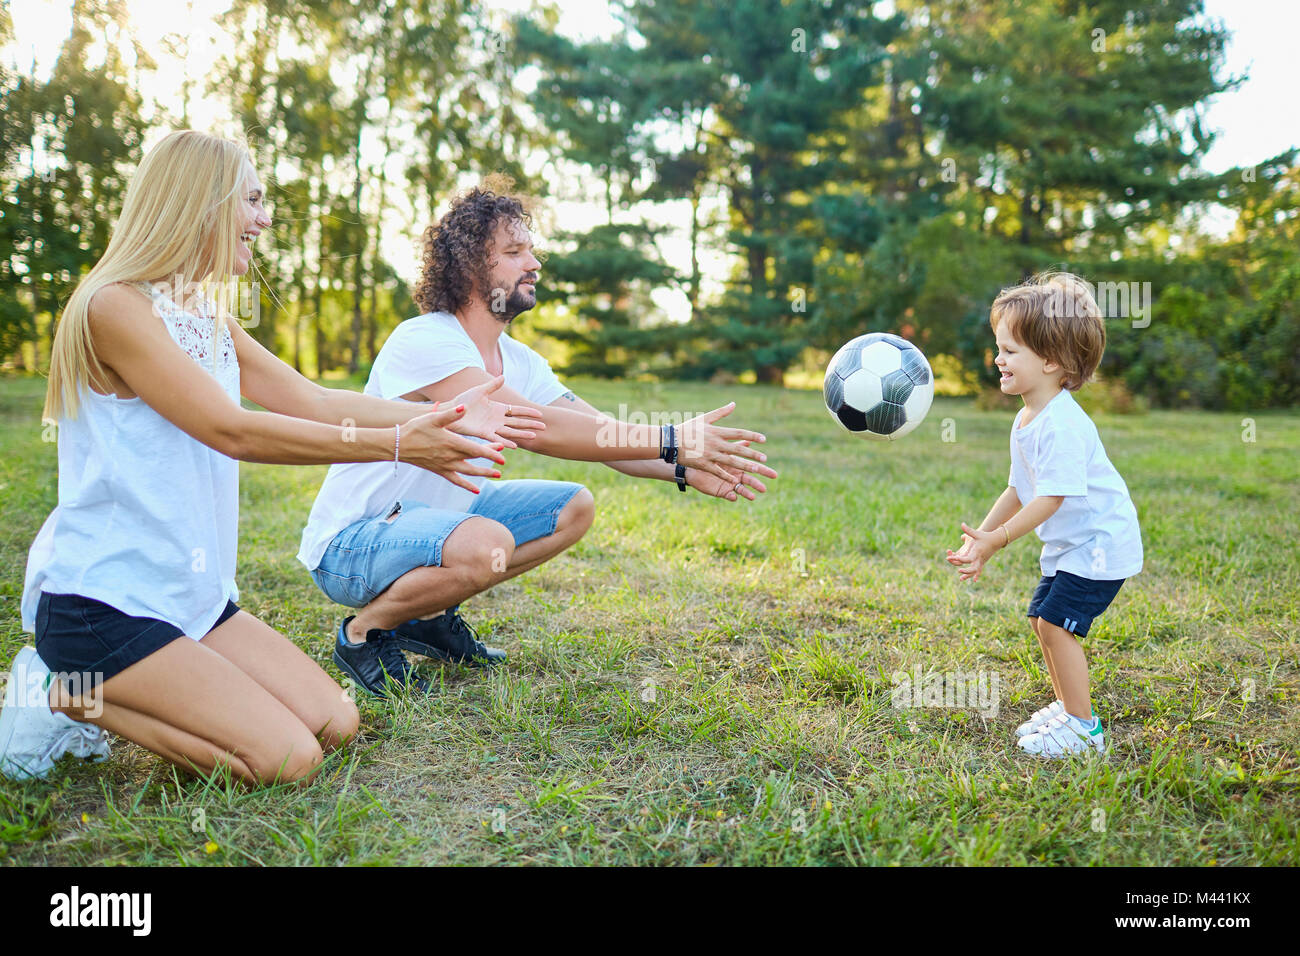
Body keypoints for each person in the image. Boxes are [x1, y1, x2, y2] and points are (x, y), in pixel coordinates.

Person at [0, 130, 541, 785]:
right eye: (251, 199)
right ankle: (67, 690)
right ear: (199, 201)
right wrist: (402, 443)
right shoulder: (114, 307)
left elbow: (310, 399)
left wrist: (439, 419)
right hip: (104, 603)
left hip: (190, 598)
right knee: (288, 760)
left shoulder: (208, 316)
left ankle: (130, 679)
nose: (265, 217)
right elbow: (233, 431)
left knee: (337, 722)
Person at [299, 176, 780, 695]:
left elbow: (602, 436)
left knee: (574, 507)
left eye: (532, 250)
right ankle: (362, 634)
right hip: (354, 543)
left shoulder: (522, 362)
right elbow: (540, 429)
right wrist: (669, 437)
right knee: (487, 545)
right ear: (469, 269)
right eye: (514, 251)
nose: (534, 264)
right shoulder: (425, 340)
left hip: (431, 528)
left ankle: (428, 617)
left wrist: (685, 466)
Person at [945, 273, 1143, 758]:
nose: (998, 358)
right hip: (1072, 548)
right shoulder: (1028, 416)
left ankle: (1084, 728)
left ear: (1051, 361)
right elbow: (1020, 487)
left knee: (1057, 626)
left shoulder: (1063, 423)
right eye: (999, 347)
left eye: (1010, 350)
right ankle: (1067, 706)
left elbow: (1050, 499)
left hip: (1099, 548)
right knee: (1042, 620)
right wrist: (982, 537)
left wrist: (1000, 540)